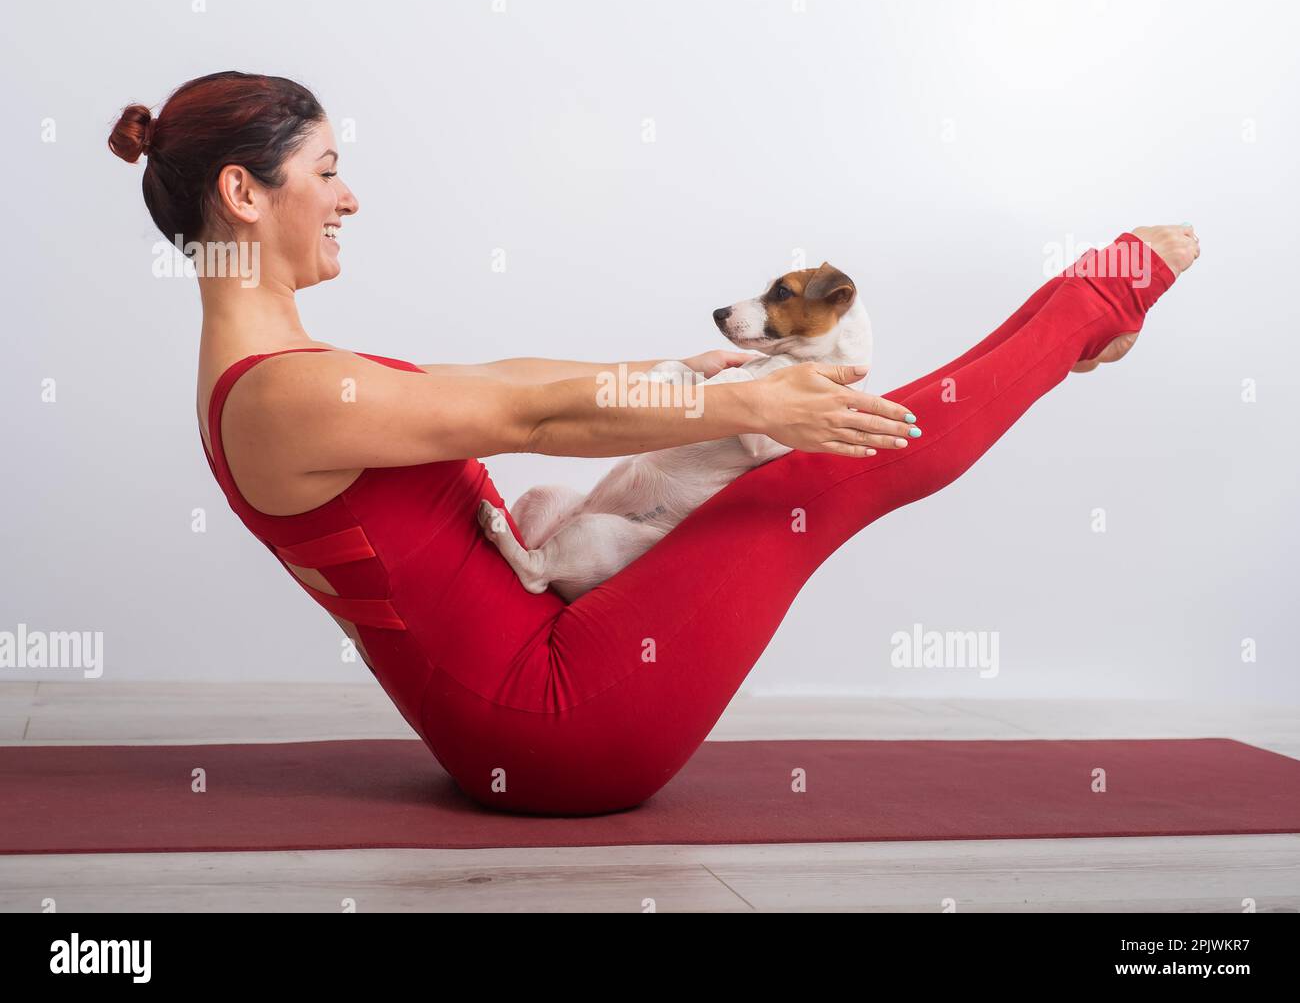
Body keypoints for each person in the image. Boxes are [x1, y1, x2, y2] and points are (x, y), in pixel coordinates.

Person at [109, 71, 1199, 815]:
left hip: (535, 679)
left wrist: (687, 376)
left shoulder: (287, 376)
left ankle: (1075, 328)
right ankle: (1098, 295)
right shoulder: (279, 398)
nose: (351, 195)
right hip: (551, 724)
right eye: (328, 168)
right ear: (245, 192)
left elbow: (506, 381)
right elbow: (534, 420)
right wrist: (753, 407)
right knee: (820, 475)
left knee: (812, 451)